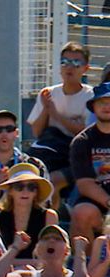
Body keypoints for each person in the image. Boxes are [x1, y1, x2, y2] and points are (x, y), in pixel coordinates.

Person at [27, 42, 93, 202]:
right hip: (50, 154)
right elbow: (37, 132)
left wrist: (56, 115)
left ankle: (53, 222)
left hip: (77, 158)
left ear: (85, 68)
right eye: (65, 62)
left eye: (76, 63)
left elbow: (87, 134)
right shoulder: (49, 94)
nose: (70, 67)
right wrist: (46, 109)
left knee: (53, 181)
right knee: (29, 178)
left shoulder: (91, 97)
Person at [0, 110, 49, 219]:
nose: (4, 133)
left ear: (16, 133)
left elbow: (45, 207)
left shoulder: (34, 165)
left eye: (9, 129)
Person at [0, 163, 58, 264]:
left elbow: (52, 257)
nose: (25, 191)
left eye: (31, 187)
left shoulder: (49, 216)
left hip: (39, 276)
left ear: (36, 192)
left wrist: (12, 261)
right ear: (10, 191)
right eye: (19, 187)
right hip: (5, 275)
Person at [70, 82, 110, 243]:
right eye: (102, 102)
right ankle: (90, 264)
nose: (107, 107)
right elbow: (85, 184)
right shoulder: (82, 141)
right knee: (82, 212)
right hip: (98, 201)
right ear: (93, 106)